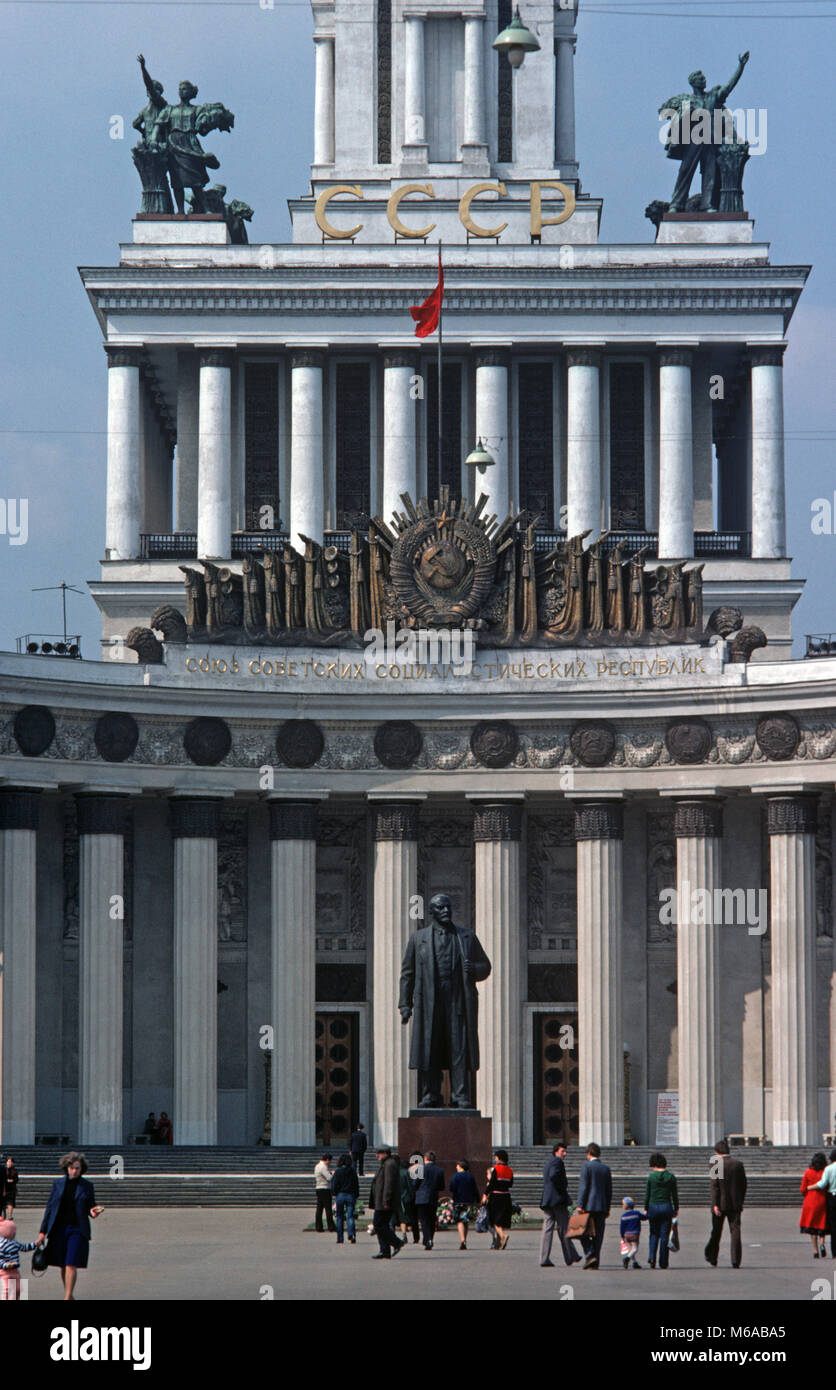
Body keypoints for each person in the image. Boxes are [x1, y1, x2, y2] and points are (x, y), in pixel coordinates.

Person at [399, 893, 491, 1109]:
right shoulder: (418, 939)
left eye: (448, 907)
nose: (446, 911)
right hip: (429, 1004)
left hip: (458, 1002)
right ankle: (430, 1094)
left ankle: (460, 1094)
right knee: (430, 1048)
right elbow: (407, 974)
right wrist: (405, 1005)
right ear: (431, 912)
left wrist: (474, 969)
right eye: (441, 908)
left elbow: (485, 966)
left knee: (459, 1049)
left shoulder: (466, 937)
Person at [36, 1151, 104, 1301]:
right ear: (66, 1168)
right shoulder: (58, 1184)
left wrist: (93, 1212)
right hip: (59, 1229)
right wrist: (42, 1232)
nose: (74, 1171)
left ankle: (67, 1297)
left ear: (82, 1169)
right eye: (72, 1168)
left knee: (71, 1263)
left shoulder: (87, 1186)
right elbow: (50, 1208)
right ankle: (69, 1294)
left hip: (77, 1229)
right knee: (63, 1264)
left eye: (77, 1168)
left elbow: (90, 1206)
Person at [704, 1139, 747, 1268]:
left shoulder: (716, 1163)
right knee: (735, 1231)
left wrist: (714, 1204)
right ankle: (735, 1260)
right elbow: (743, 1185)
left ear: (717, 1152)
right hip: (735, 1204)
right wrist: (740, 1201)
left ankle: (713, 1256)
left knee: (716, 1231)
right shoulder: (738, 1164)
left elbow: (714, 1186)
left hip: (720, 1204)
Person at [539, 1141, 580, 1268]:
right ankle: (571, 1256)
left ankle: (544, 1258)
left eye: (565, 1151)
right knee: (564, 1228)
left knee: (547, 1230)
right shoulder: (557, 1162)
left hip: (548, 1200)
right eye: (563, 1151)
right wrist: (563, 1189)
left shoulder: (549, 1162)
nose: (565, 1153)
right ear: (556, 1151)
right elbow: (554, 1176)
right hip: (557, 1200)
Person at [576, 1142, 612, 1269]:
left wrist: (580, 1204)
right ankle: (595, 1261)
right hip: (601, 1206)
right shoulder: (605, 1168)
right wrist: (607, 1208)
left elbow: (584, 1187)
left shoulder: (586, 1167)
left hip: (588, 1206)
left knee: (582, 1233)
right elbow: (609, 1191)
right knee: (599, 1235)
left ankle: (590, 1255)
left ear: (588, 1153)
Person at [645, 1152, 679, 1270]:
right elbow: (674, 1195)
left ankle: (652, 1257)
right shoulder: (671, 1177)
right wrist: (676, 1208)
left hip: (653, 1207)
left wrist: (646, 1208)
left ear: (654, 1164)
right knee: (665, 1235)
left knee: (654, 1233)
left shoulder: (651, 1177)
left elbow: (647, 1194)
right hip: (666, 1207)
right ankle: (663, 1261)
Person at [370, 1145, 405, 1260]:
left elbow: (389, 1184)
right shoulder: (386, 1164)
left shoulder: (389, 1164)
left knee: (378, 1225)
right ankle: (384, 1251)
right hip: (382, 1201)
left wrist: (386, 1200)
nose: (377, 1155)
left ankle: (396, 1242)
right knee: (382, 1225)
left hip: (385, 1202)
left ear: (385, 1153)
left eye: (379, 1153)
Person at [483, 1149, 514, 1251]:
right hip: (506, 1196)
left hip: (496, 1197)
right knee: (501, 1219)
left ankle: (503, 1236)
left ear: (499, 1158)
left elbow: (491, 1184)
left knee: (494, 1220)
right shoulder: (509, 1170)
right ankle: (498, 1243)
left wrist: (485, 1194)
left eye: (496, 1157)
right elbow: (510, 1184)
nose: (495, 1159)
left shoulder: (495, 1169)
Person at [415, 1150, 445, 1250]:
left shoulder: (421, 1169)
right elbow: (442, 1186)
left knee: (424, 1220)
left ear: (425, 1159)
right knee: (432, 1220)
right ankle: (430, 1238)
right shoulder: (440, 1170)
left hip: (421, 1198)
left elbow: (415, 1184)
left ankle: (427, 1239)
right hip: (433, 1197)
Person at [0, 1218, 37, 1300]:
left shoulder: (14, 1243)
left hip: (15, 1270)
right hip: (4, 1272)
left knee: (19, 1289)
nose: (15, 1233)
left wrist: (35, 1244)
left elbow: (24, 1247)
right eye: (13, 1232)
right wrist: (5, 1265)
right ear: (8, 1233)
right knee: (6, 1290)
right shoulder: (1, 1245)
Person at [810, 1150, 836, 1257]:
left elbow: (822, 1184)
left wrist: (809, 1187)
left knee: (834, 1225)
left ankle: (835, 1252)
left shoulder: (828, 1169)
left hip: (832, 1198)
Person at [450, 1160, 480, 1251]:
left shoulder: (456, 1176)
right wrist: (477, 1199)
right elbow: (475, 1189)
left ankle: (462, 1240)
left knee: (460, 1221)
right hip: (468, 1201)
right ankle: (465, 1239)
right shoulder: (470, 1176)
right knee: (465, 1221)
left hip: (458, 1201)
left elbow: (452, 1188)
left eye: (457, 1166)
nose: (456, 1167)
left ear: (460, 1166)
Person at [330, 1154, 359, 1245]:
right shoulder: (352, 1171)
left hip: (340, 1195)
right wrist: (356, 1195)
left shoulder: (338, 1171)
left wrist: (334, 1193)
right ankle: (351, 1234)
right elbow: (356, 1184)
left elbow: (334, 1184)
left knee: (339, 1217)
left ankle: (340, 1238)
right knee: (350, 1216)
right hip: (350, 1195)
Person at [619, 1198, 646, 1270]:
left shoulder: (623, 1216)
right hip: (634, 1234)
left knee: (631, 1249)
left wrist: (622, 1235)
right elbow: (644, 1218)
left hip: (626, 1235)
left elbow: (622, 1227)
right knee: (635, 1248)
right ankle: (627, 1259)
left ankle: (635, 1263)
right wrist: (647, 1214)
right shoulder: (636, 1213)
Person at [398, 1157, 419, 1245]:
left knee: (402, 1217)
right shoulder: (407, 1173)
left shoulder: (396, 1173)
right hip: (408, 1198)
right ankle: (416, 1237)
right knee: (413, 1217)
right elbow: (410, 1186)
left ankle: (404, 1234)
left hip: (399, 1198)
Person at [314, 1153, 335, 1233]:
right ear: (327, 1160)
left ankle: (318, 1226)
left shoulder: (317, 1166)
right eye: (330, 1161)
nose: (330, 1163)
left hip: (318, 1188)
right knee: (328, 1208)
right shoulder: (323, 1167)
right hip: (325, 1188)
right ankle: (331, 1226)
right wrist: (332, 1173)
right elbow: (329, 1178)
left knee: (319, 1208)